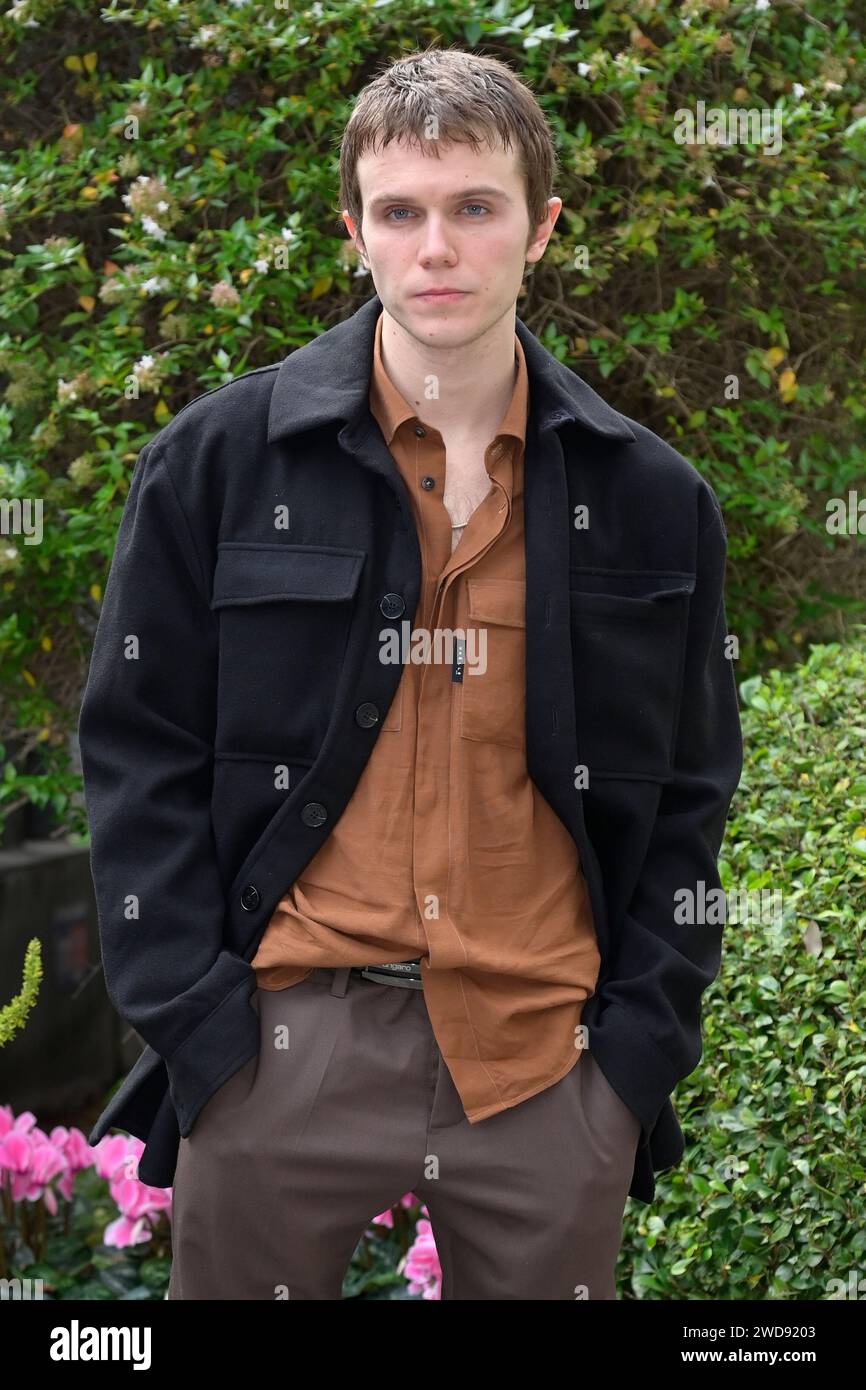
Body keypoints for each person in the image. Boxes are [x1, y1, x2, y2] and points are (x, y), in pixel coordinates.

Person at [80, 46, 743, 1300]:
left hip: (545, 1066)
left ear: (539, 229)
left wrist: (632, 1063)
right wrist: (199, 1025)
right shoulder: (214, 465)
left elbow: (692, 790)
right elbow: (135, 751)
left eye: (474, 208)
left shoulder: (650, 500)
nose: (436, 247)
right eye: (401, 212)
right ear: (355, 232)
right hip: (281, 1047)